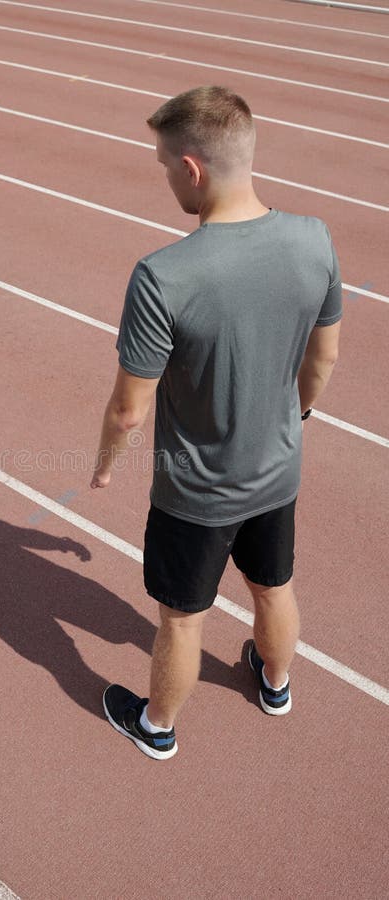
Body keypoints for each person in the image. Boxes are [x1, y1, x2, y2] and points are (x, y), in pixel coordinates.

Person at [90, 86, 342, 760]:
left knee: (180, 618)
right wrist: (299, 416)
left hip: (196, 494)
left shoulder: (163, 277)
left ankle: (158, 726)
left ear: (193, 169)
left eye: (166, 165)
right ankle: (276, 682)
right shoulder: (313, 239)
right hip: (277, 470)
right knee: (274, 586)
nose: (166, 176)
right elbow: (324, 356)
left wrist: (106, 463)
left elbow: (128, 408)